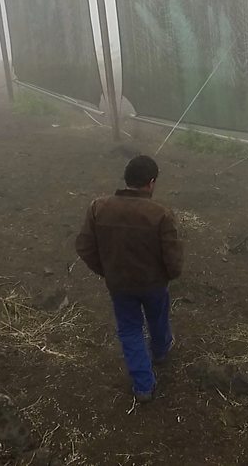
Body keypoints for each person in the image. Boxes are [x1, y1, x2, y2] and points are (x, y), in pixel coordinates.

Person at [76, 155, 182, 403]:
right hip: (154, 284)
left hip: (119, 284)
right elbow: (173, 259)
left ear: (126, 178)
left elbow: (84, 246)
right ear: (151, 182)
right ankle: (160, 352)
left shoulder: (98, 207)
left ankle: (143, 386)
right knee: (157, 317)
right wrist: (168, 275)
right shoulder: (161, 214)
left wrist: (106, 270)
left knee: (130, 329)